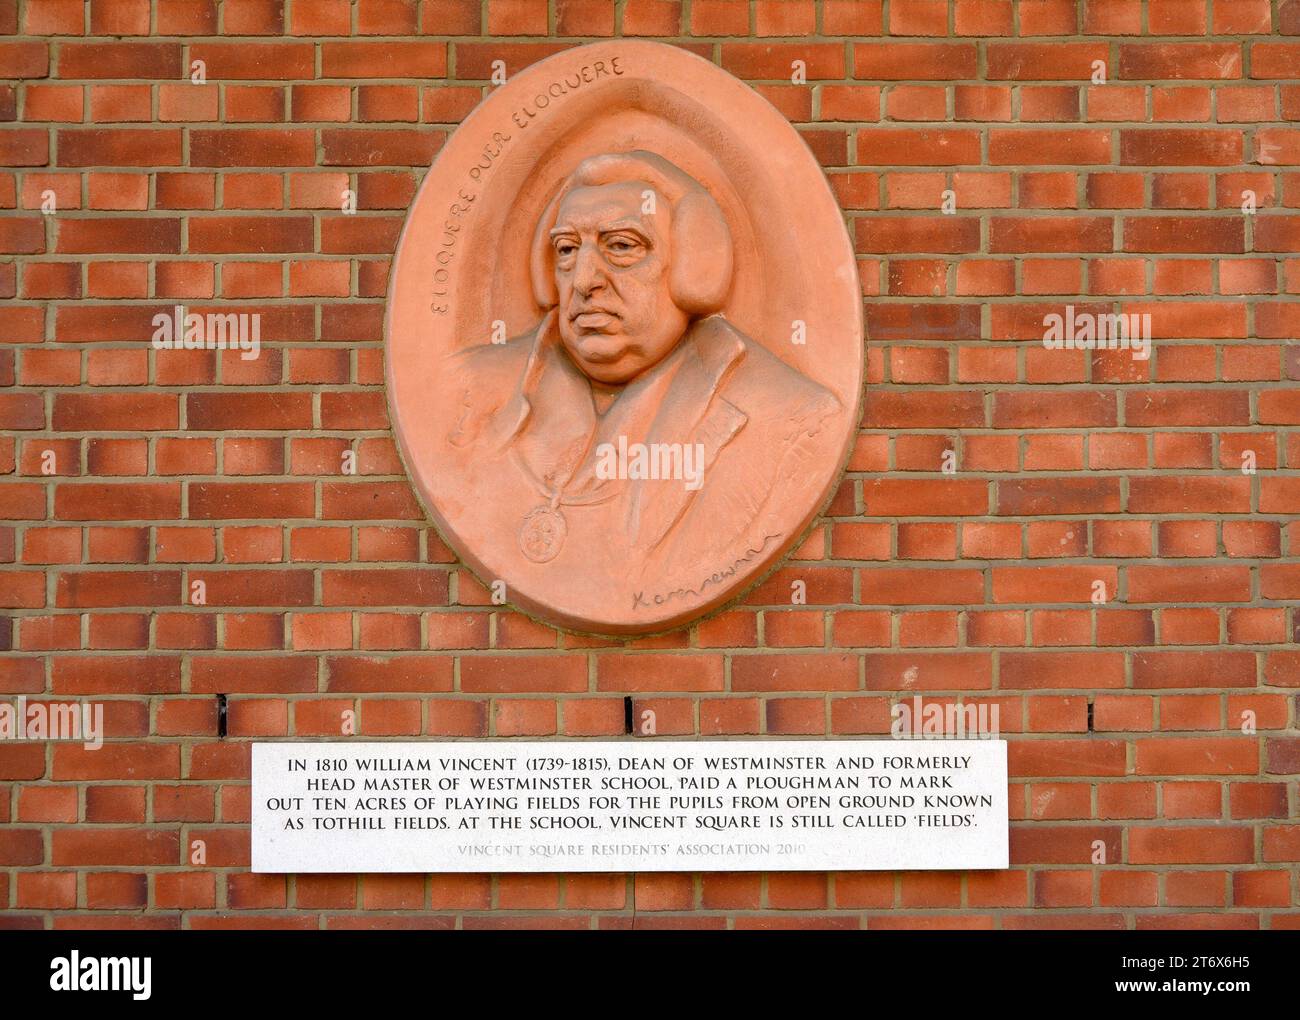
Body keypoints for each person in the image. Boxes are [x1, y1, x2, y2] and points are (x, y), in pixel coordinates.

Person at [441, 150, 841, 614]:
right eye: (568, 250)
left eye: (622, 246)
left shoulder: (792, 418)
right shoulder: (466, 387)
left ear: (692, 270)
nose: (585, 280)